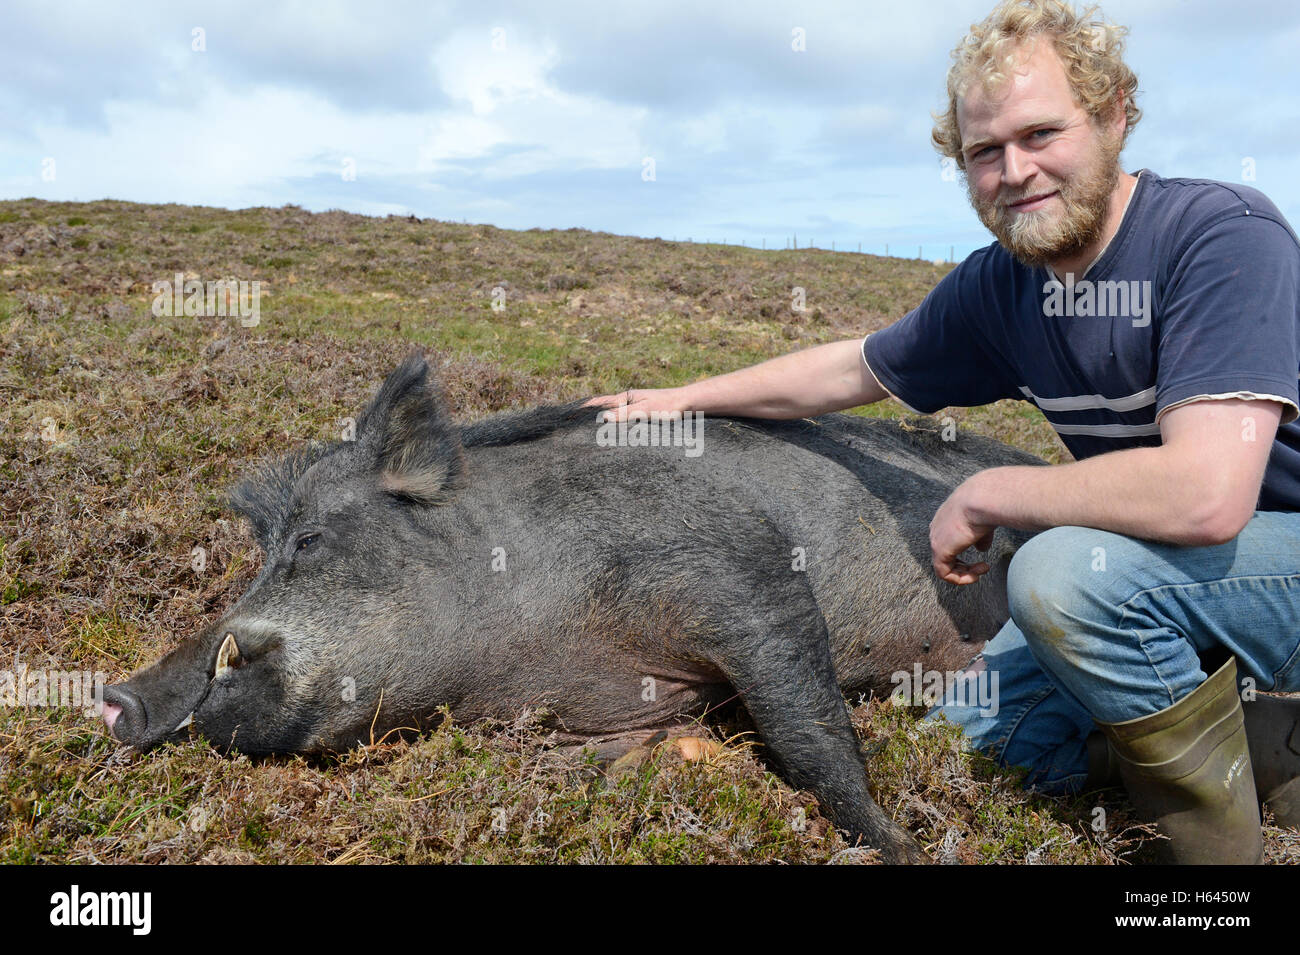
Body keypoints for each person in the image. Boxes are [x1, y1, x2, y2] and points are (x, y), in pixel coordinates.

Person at [585, 0, 1300, 864]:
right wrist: (682, 397)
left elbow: (1208, 494)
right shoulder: (1002, 287)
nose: (1017, 171)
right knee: (961, 748)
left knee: (1064, 574)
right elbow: (852, 369)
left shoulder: (1220, 236)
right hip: (1175, 577)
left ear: (1114, 113)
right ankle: (1259, 739)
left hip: (1273, 560)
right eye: (985, 153)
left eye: (1042, 134)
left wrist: (996, 489)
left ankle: (1208, 879)